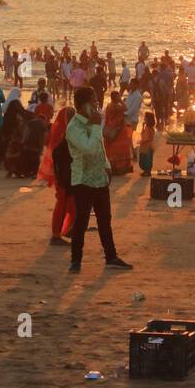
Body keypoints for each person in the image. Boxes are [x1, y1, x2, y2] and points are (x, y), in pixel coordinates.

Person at [64, 86, 132, 274]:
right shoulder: (74, 127)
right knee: (81, 222)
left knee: (105, 220)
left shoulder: (92, 122)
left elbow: (100, 149)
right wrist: (95, 126)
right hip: (83, 179)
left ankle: (111, 257)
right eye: (93, 102)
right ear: (83, 104)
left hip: (100, 178)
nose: (96, 105)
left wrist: (108, 167)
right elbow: (88, 148)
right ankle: (75, 261)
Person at [38, 106, 76, 245]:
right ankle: (56, 234)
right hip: (63, 177)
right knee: (63, 204)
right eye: (71, 116)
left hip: (69, 175)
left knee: (72, 203)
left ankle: (68, 229)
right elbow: (59, 160)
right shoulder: (62, 138)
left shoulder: (67, 135)